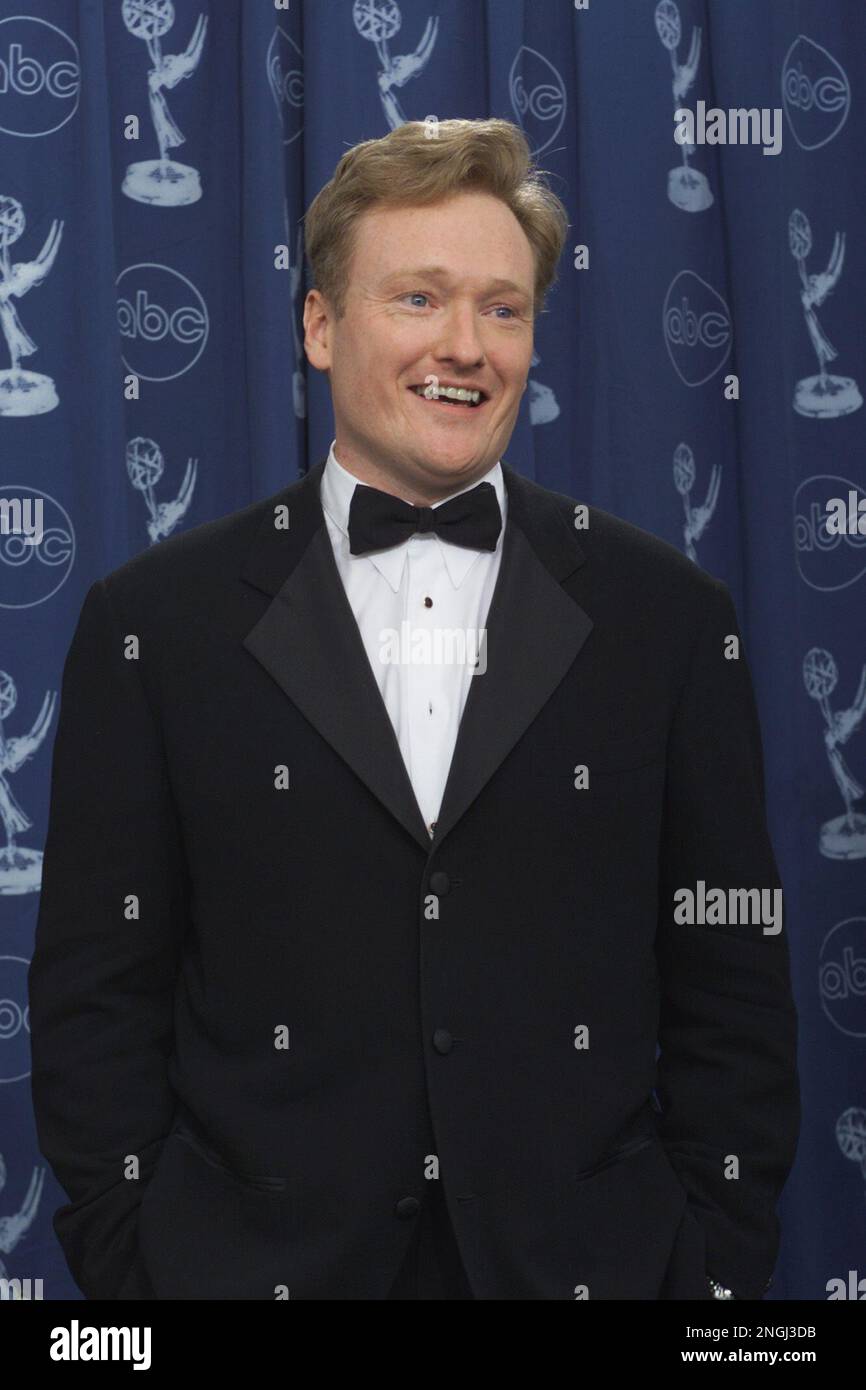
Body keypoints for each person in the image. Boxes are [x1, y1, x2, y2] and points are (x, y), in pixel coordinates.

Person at [28, 117, 800, 1301]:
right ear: (320, 326)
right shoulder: (158, 626)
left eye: (501, 307)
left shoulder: (670, 622)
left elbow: (729, 990)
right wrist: (142, 1268)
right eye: (419, 297)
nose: (465, 344)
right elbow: (96, 994)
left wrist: (702, 1267)